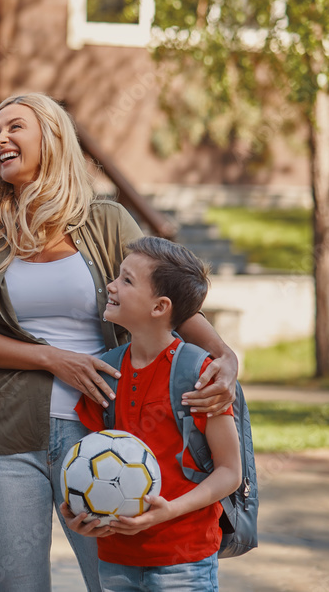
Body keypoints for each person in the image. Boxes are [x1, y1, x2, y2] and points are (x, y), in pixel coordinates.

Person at [0, 93, 238, 592]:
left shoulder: (105, 220)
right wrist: (52, 359)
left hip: (104, 434)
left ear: (53, 138)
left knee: (110, 580)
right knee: (19, 585)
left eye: (15, 127)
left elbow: (164, 298)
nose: (0, 139)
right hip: (5, 438)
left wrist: (225, 356)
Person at [64, 235, 242, 591]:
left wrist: (169, 511)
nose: (111, 286)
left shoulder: (198, 374)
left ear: (159, 307)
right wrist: (81, 513)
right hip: (116, 559)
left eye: (127, 280)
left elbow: (230, 472)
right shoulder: (107, 373)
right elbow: (91, 465)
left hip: (184, 559)